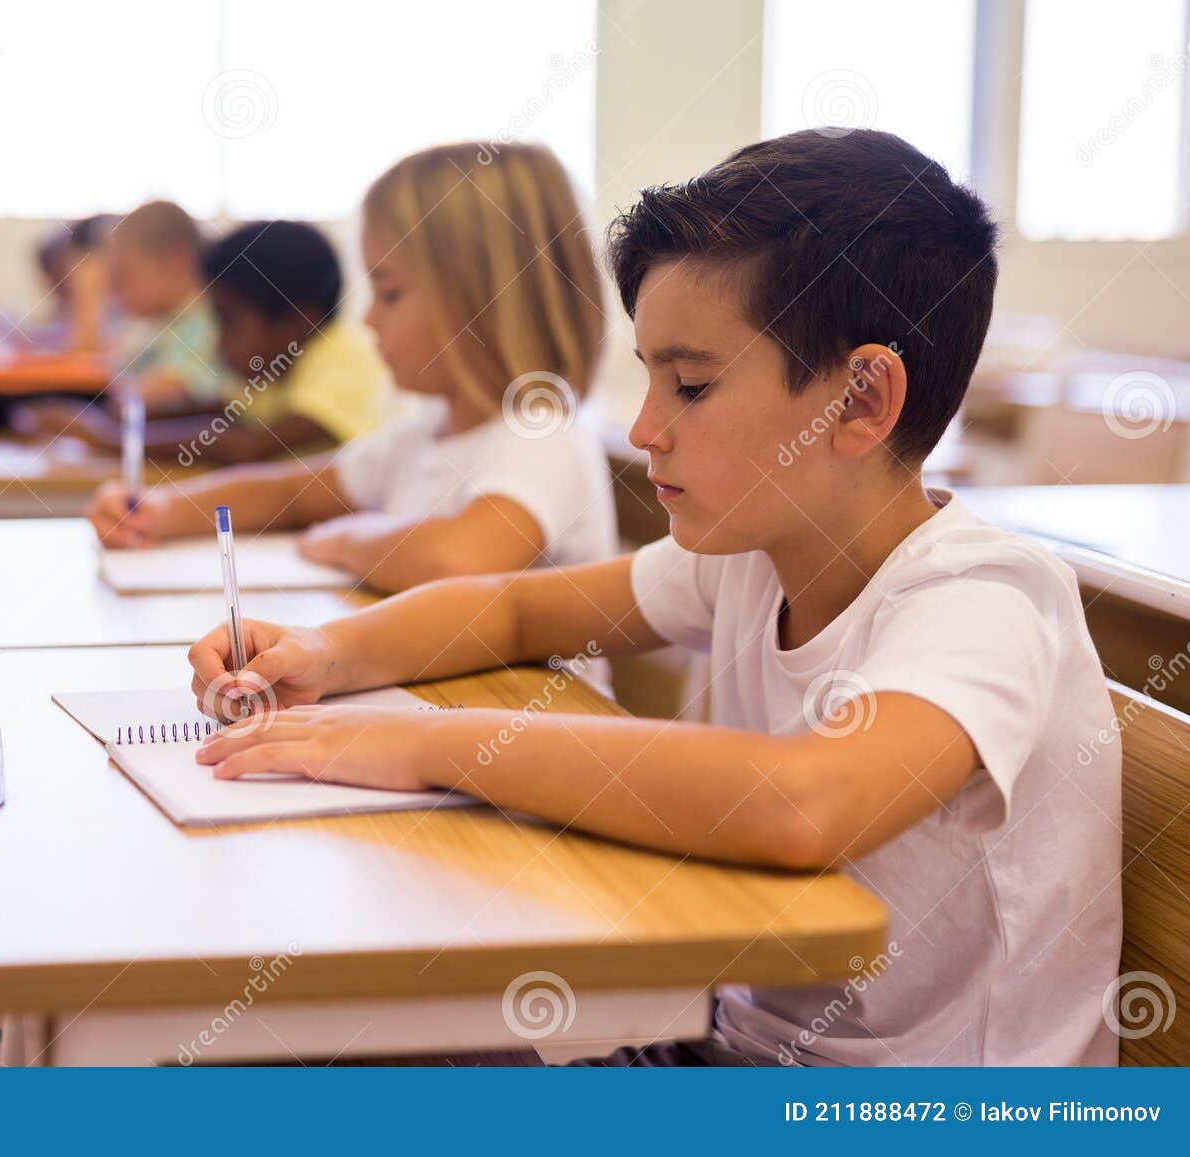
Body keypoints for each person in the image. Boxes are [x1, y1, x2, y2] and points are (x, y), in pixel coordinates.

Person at [186, 130, 1122, 1066]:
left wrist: (425, 745)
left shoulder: (984, 599)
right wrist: (323, 652)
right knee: (314, 1051)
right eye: (647, 377)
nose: (643, 430)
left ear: (863, 399)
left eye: (692, 384)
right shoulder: (755, 552)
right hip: (724, 1052)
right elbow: (515, 610)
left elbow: (803, 802)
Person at [88, 143, 616, 595]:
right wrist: (159, 510)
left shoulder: (543, 436)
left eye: (388, 293)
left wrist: (344, 540)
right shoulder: (423, 434)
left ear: (484, 302)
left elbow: (456, 560)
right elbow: (287, 493)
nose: (366, 319)